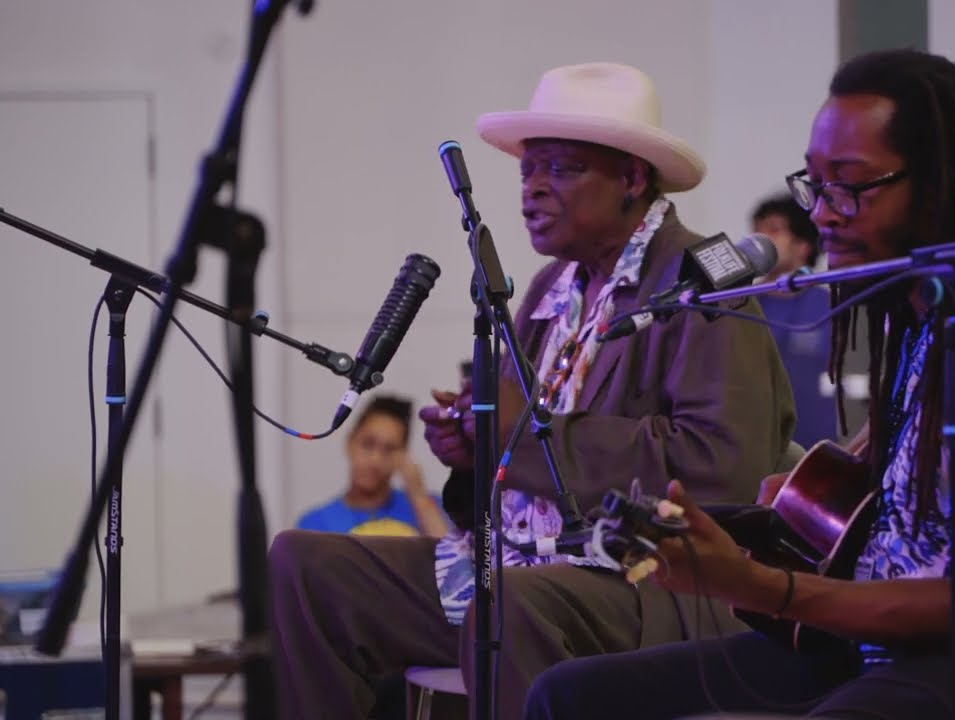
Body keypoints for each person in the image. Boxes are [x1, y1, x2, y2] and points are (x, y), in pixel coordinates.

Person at [524, 49, 955, 720]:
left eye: (851, 186)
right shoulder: (934, 313)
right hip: (894, 649)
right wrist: (740, 531)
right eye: (815, 184)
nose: (823, 214)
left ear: (939, 185)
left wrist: (760, 585)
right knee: (570, 696)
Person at [269, 62, 796, 719]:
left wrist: (526, 434)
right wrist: (473, 444)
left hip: (654, 583)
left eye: (561, 170)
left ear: (632, 177)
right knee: (306, 566)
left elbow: (726, 467)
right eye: (527, 170)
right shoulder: (550, 290)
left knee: (510, 603)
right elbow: (514, 454)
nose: (532, 191)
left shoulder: (700, 283)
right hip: (523, 569)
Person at [750, 193, 842, 448]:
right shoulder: (740, 305)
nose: (759, 238)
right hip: (756, 448)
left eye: (774, 230)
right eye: (757, 229)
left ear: (803, 245)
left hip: (818, 454)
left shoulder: (833, 308)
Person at [296, 394, 450, 538]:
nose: (376, 460)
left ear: (402, 455)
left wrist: (419, 495)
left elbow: (455, 563)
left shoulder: (429, 509)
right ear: (350, 442)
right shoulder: (314, 525)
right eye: (368, 444)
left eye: (389, 449)